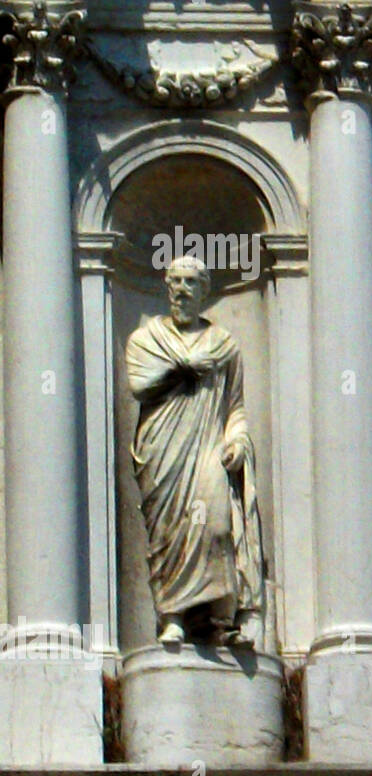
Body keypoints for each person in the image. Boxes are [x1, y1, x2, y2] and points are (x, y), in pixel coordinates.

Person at [125, 255, 264, 648]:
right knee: (168, 532)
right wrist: (183, 368)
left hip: (207, 447)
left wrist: (237, 442)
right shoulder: (147, 341)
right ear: (166, 287)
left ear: (205, 291)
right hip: (160, 451)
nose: (182, 289)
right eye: (176, 282)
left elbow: (234, 406)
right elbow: (139, 385)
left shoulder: (223, 346)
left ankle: (219, 618)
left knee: (216, 523)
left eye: (190, 283)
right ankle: (172, 617)